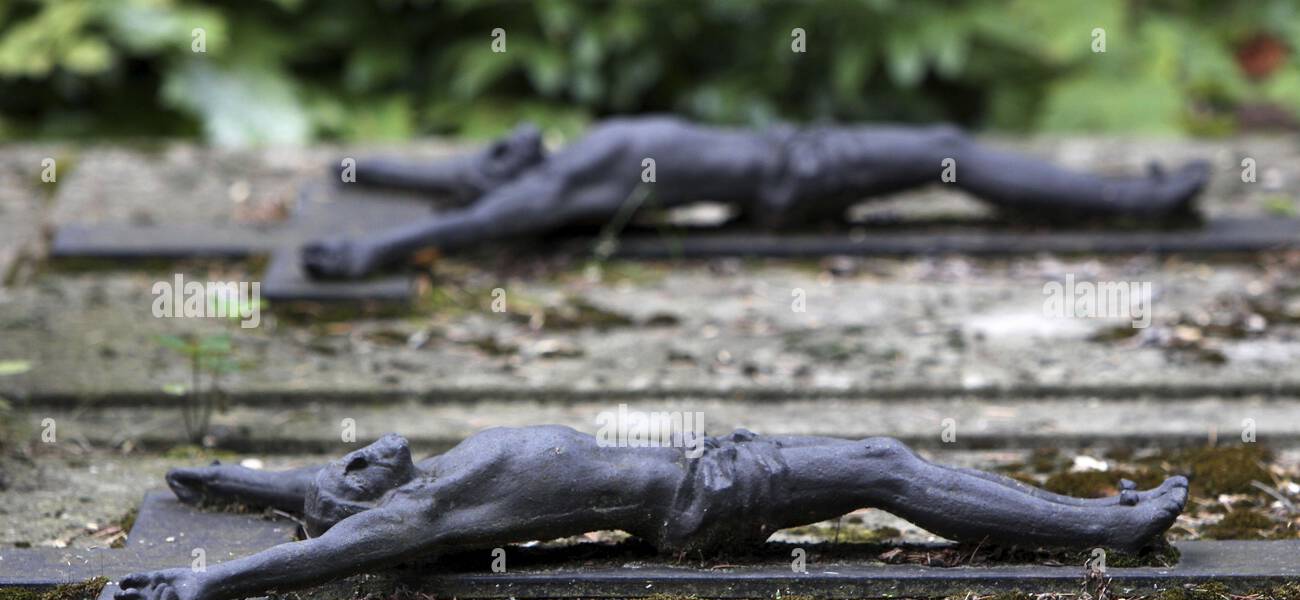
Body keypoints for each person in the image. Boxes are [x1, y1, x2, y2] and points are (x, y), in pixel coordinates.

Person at [115, 426, 1188, 600]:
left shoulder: (411, 476)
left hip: (707, 462)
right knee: (883, 465)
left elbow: (304, 490)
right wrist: (209, 586)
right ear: (379, 509)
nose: (351, 456)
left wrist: (221, 481)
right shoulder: (419, 506)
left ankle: (1100, 519)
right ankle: (1105, 528)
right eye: (347, 475)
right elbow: (339, 540)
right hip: (701, 498)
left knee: (880, 462)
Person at [303, 116, 1210, 277]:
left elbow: (462, 184)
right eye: (504, 154)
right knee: (945, 151)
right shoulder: (578, 170)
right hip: (796, 172)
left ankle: (1128, 200)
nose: (506, 144)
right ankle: (1130, 205)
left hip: (792, 160)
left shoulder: (578, 161)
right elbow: (480, 214)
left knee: (945, 157)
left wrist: (367, 173)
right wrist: (370, 253)